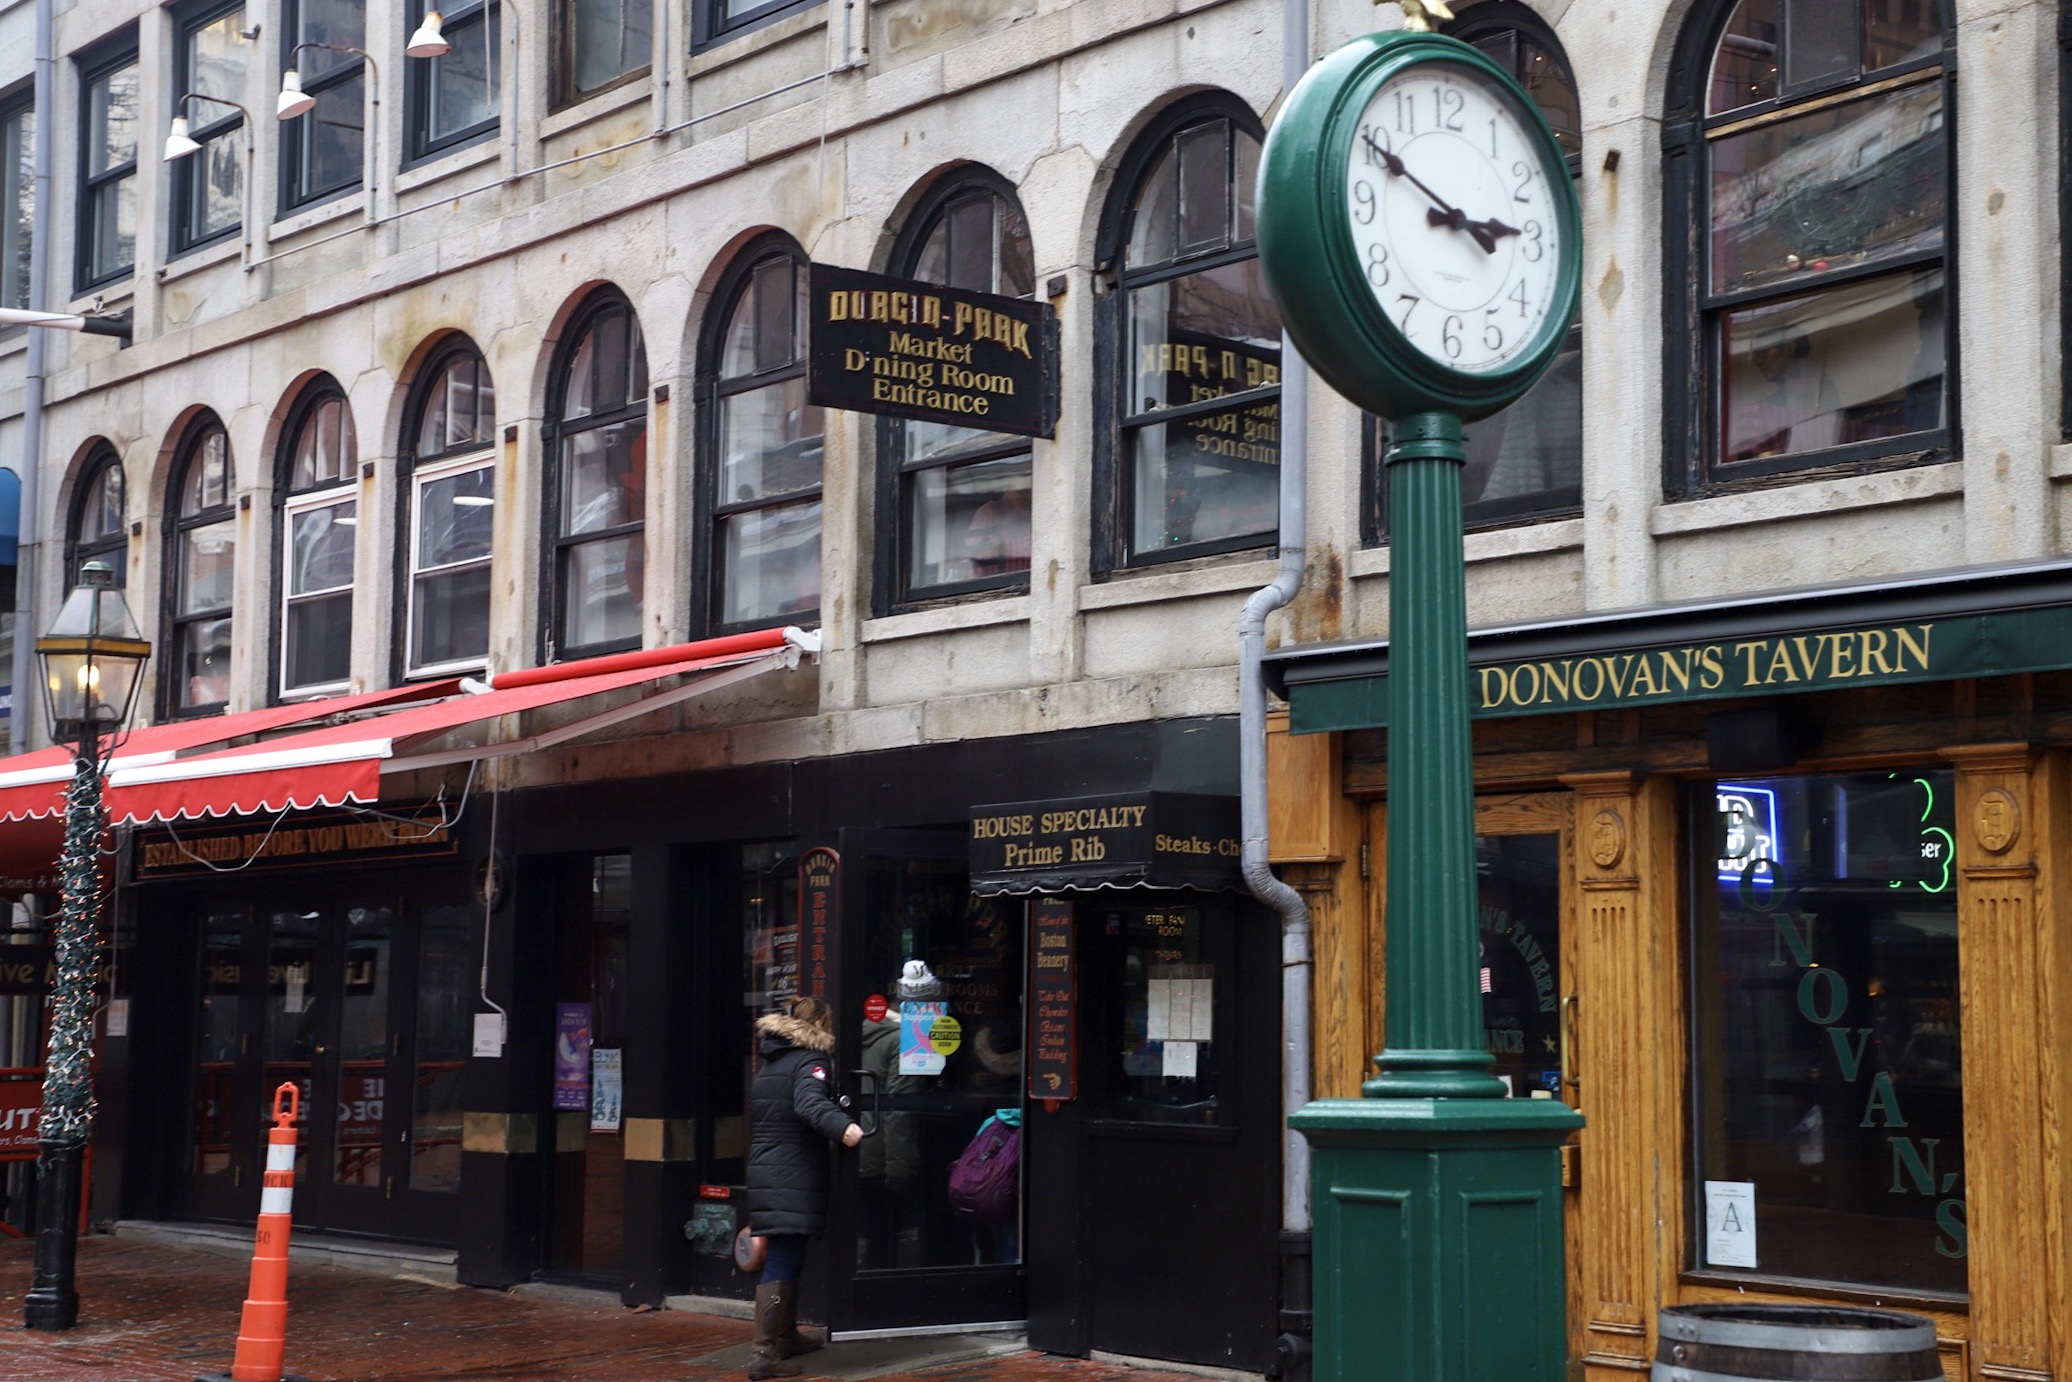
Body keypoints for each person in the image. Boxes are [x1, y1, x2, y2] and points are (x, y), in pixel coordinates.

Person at [744, 997, 863, 1380]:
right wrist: (845, 1128)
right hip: (790, 1173)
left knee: (789, 1253)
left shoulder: (771, 1063)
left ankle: (785, 1336)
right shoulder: (812, 1062)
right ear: (822, 1026)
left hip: (769, 1169)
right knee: (782, 1257)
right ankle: (764, 1353)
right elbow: (809, 1104)